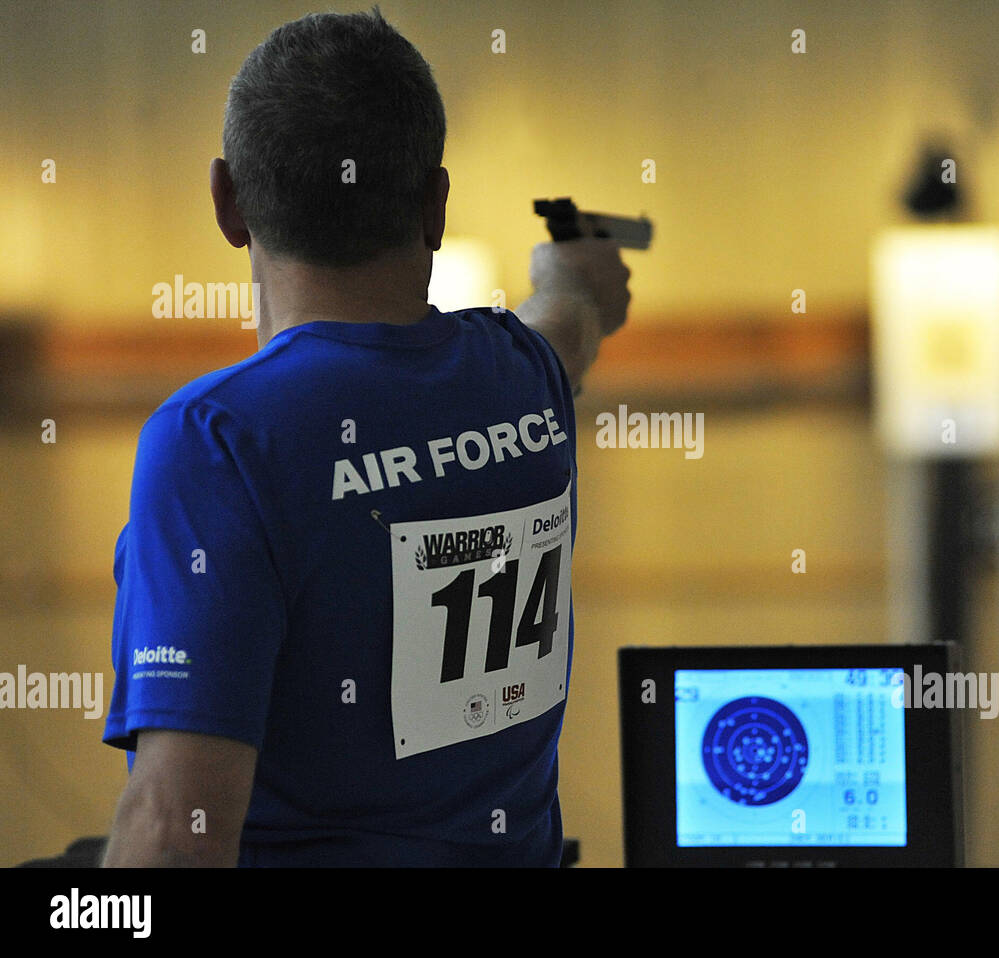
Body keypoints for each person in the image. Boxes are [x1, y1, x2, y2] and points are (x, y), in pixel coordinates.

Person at [100, 8, 631, 867]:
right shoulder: (521, 379)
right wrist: (574, 273)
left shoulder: (217, 441)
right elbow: (565, 325)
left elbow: (172, 830)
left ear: (228, 201)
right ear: (436, 206)